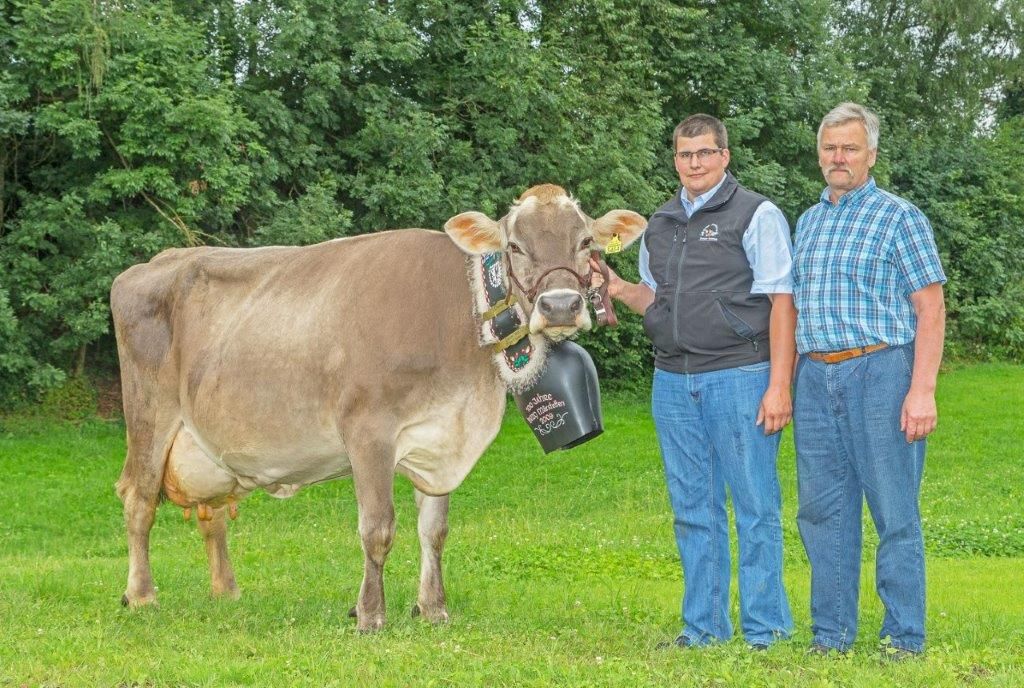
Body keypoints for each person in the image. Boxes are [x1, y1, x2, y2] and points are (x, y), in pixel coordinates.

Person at [593, 114, 795, 649]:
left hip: (740, 374)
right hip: (673, 382)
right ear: (675, 160)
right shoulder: (660, 224)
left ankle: (766, 630)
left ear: (725, 156)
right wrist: (618, 288)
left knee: (755, 507)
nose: (695, 163)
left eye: (705, 152)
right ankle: (703, 628)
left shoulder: (756, 214)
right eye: (685, 154)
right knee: (692, 511)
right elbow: (655, 299)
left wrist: (779, 384)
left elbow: (782, 301)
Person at [792, 102, 946, 659]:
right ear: (819, 155)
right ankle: (831, 634)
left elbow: (930, 308)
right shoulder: (807, 222)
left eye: (850, 148)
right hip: (815, 376)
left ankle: (904, 636)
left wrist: (921, 390)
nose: (839, 157)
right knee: (822, 511)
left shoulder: (900, 217)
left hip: (881, 371)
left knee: (893, 510)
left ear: (871, 155)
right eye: (830, 148)